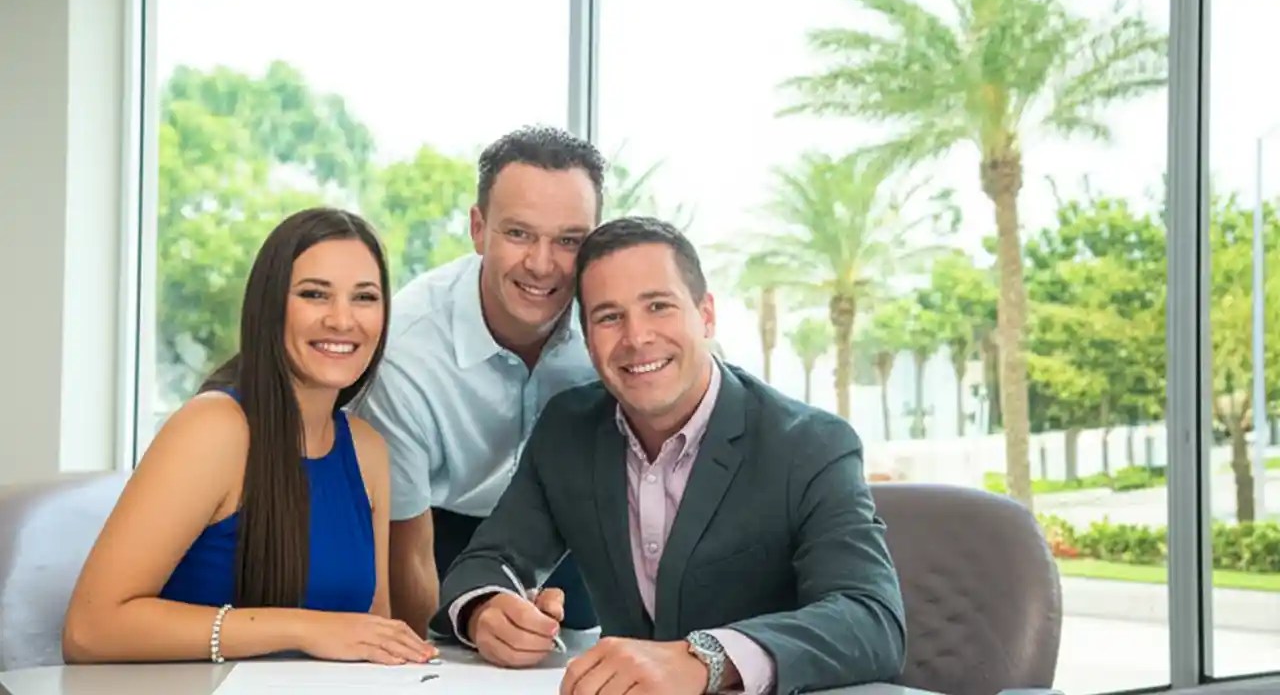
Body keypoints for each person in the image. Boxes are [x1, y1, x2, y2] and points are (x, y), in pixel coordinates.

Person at [430, 217, 907, 695]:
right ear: (587, 337)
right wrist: (486, 609)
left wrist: (706, 659)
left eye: (658, 306)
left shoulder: (810, 445)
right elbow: (487, 560)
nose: (637, 338)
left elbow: (871, 618)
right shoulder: (568, 431)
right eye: (609, 317)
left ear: (706, 314)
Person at [63, 208, 436, 666]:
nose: (343, 320)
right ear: (270, 306)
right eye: (315, 294)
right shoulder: (215, 430)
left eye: (364, 298)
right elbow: (91, 629)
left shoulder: (368, 451)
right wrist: (303, 628)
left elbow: (371, 635)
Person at [352, 125, 604, 638]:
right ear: (477, 228)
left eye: (569, 241)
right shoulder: (407, 354)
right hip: (438, 529)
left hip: (572, 531)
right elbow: (406, 555)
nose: (541, 264)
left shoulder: (614, 329)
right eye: (518, 233)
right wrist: (471, 617)